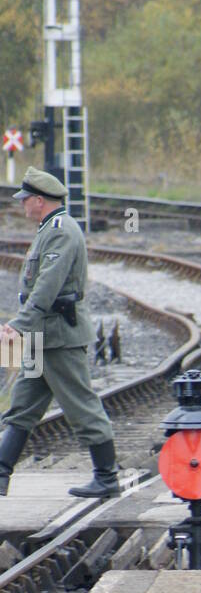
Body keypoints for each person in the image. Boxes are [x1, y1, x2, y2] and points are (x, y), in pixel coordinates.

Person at [0, 167, 119, 498]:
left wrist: (17, 325)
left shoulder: (62, 230)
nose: (22, 205)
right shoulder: (47, 230)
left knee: (81, 405)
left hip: (59, 338)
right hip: (41, 339)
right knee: (22, 404)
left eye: (26, 200)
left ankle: (107, 478)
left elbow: (48, 285)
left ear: (40, 200)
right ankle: (1, 473)